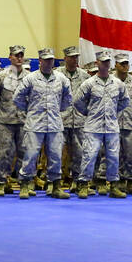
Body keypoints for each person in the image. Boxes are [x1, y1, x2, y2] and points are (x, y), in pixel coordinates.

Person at [13, 48, 72, 199]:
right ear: (40, 61)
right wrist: (30, 111)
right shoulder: (31, 78)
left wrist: (59, 112)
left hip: (54, 124)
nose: (49, 62)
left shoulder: (61, 79)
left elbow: (67, 98)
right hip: (35, 124)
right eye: (46, 59)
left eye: (51, 59)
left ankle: (55, 186)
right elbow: (17, 98)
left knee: (55, 156)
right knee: (31, 155)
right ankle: (25, 184)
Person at [73, 49, 130, 198]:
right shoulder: (89, 83)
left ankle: (114, 186)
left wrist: (113, 112)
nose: (105, 64)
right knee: (89, 155)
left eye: (107, 62)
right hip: (93, 127)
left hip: (111, 126)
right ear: (97, 63)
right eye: (103, 62)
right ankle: (84, 184)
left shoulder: (117, 84)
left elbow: (125, 101)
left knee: (113, 157)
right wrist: (89, 113)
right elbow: (77, 101)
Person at [0, 46, 29, 196]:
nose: (19, 58)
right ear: (10, 57)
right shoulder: (1, 76)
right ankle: (0, 182)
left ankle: (24, 183)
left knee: (25, 153)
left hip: (24, 121)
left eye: (21, 55)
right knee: (3, 153)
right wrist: (2, 110)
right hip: (5, 121)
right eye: (16, 55)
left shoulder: (30, 77)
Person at [59, 47, 88, 187]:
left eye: (76, 57)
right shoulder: (57, 74)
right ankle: (55, 181)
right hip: (60, 120)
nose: (74, 59)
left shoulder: (84, 76)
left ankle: (77, 180)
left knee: (79, 152)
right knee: (57, 152)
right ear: (65, 58)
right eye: (71, 57)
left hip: (79, 120)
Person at [115, 54, 132, 193]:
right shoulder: (111, 81)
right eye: (122, 64)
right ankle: (117, 182)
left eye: (126, 63)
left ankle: (131, 182)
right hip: (113, 125)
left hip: (130, 124)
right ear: (116, 65)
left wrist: (131, 112)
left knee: (131, 154)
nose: (125, 66)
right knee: (115, 154)